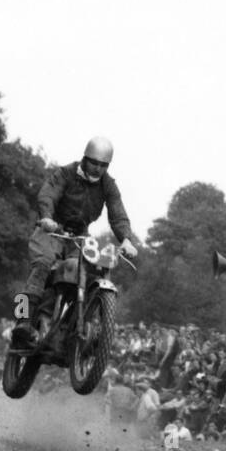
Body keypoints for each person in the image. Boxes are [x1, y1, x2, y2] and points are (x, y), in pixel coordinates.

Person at [12, 136, 137, 347]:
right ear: (85, 159)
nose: (98, 168)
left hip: (79, 236)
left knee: (88, 272)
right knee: (42, 266)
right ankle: (21, 320)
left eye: (103, 165)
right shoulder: (66, 173)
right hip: (52, 229)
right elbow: (48, 194)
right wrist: (47, 217)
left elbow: (117, 212)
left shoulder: (108, 185)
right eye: (94, 163)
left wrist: (126, 238)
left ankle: (70, 327)